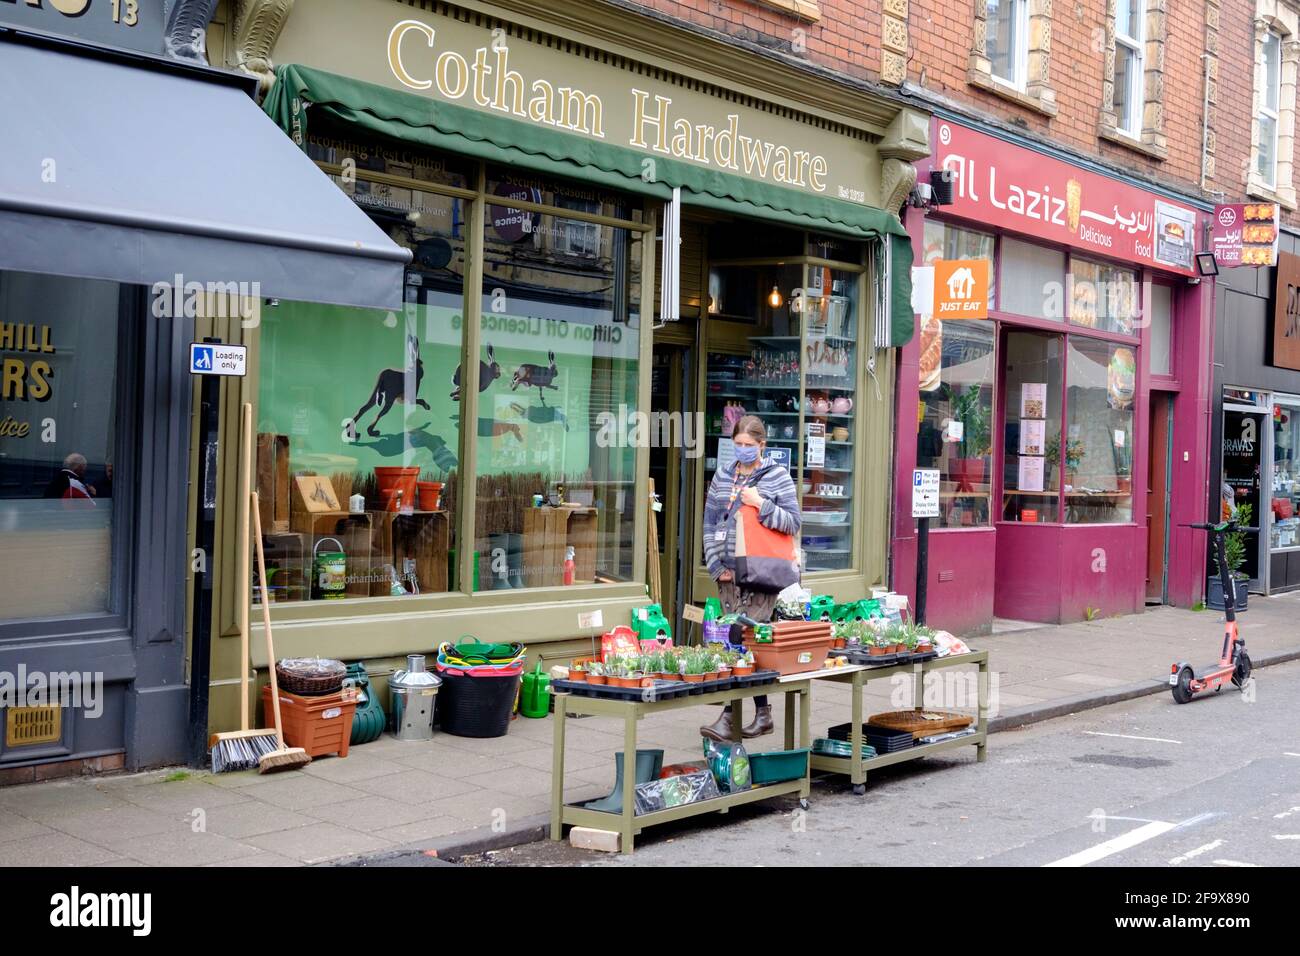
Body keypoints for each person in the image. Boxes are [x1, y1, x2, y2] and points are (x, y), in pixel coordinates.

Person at [699, 415, 801, 742]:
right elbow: (711, 522)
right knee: (741, 640)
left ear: (762, 445)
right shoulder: (722, 477)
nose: (742, 450)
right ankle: (763, 713)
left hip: (760, 573)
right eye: (737, 444)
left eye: (748, 445)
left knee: (741, 638)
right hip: (728, 574)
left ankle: (730, 716)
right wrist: (716, 565)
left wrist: (761, 504)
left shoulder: (777, 476)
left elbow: (792, 522)